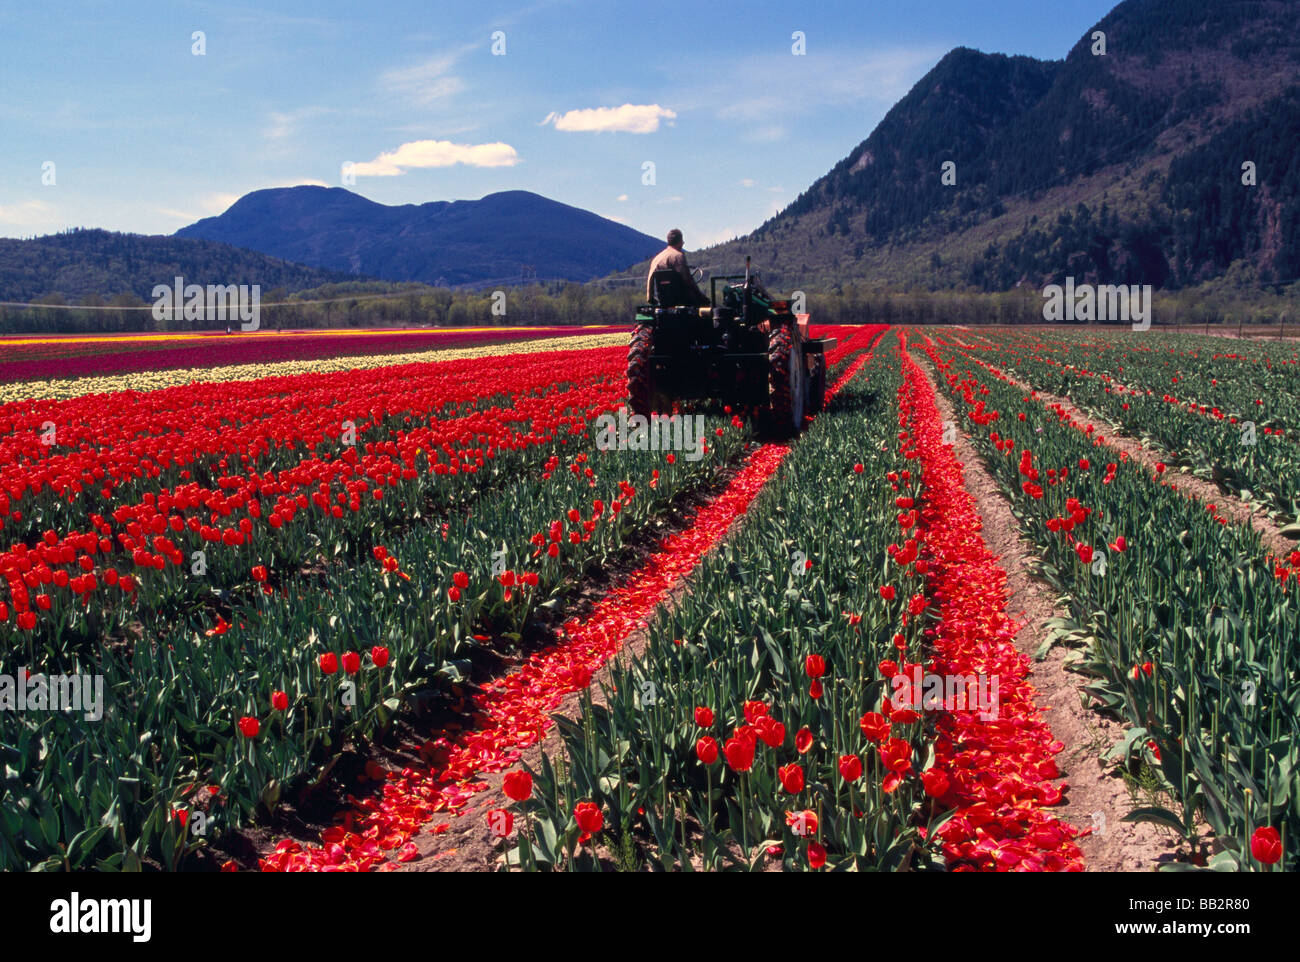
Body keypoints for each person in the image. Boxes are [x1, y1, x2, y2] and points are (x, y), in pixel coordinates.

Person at [645, 229, 709, 305]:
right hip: (683, 300)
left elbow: (650, 279)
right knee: (706, 305)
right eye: (682, 242)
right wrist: (701, 297)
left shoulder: (656, 259)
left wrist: (650, 298)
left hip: (663, 300)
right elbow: (687, 279)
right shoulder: (678, 256)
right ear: (679, 242)